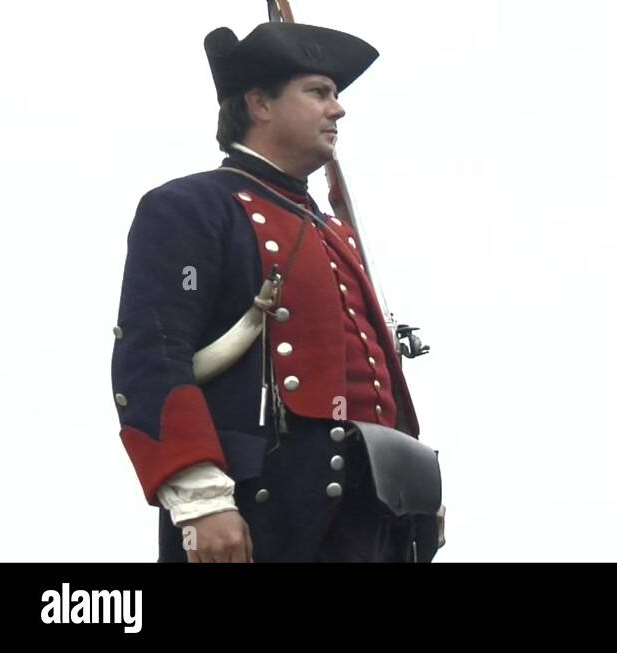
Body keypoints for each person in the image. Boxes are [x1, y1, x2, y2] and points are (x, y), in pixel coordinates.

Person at [111, 21, 444, 562]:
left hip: (371, 518)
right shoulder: (191, 207)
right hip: (266, 510)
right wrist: (201, 500)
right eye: (318, 92)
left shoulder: (333, 230)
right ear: (260, 104)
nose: (337, 110)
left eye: (335, 96)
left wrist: (418, 491)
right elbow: (151, 358)